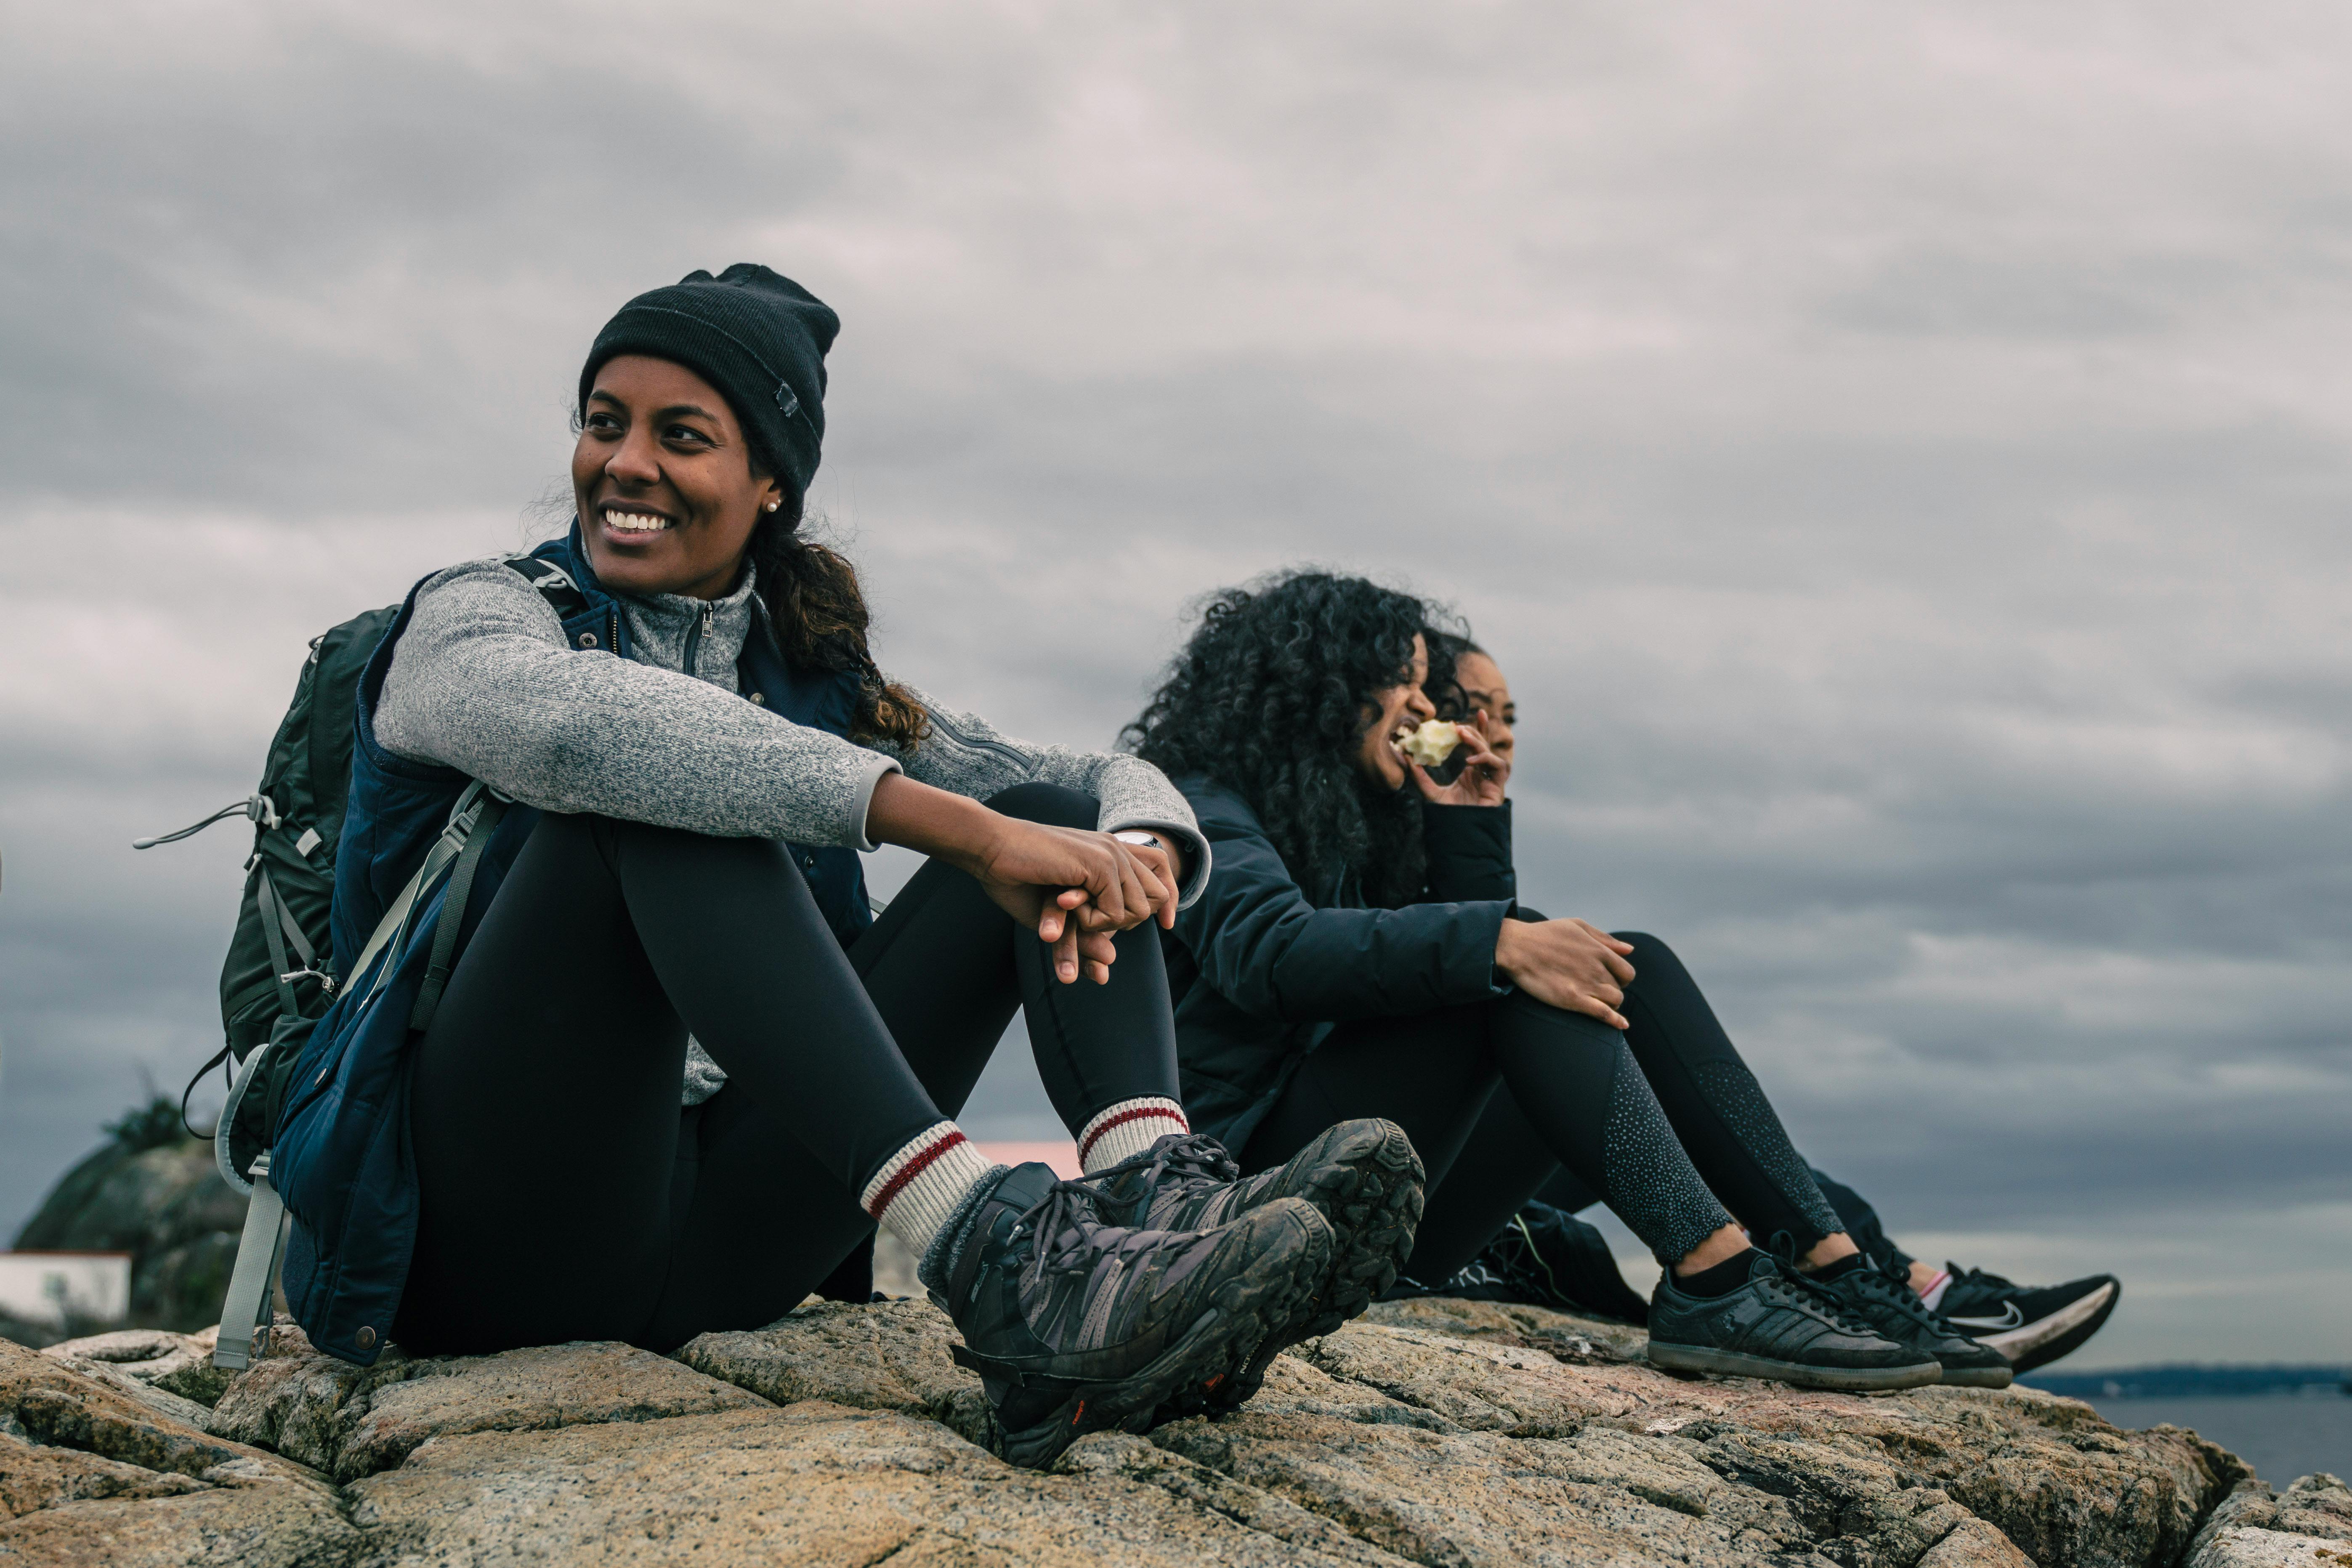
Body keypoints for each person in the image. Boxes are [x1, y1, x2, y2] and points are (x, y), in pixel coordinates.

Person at [266, 267, 1422, 1470]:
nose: (623, 463)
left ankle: (1154, 1206)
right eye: (603, 421)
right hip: (475, 1245)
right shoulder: (480, 615)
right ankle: (992, 1253)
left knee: (1045, 810)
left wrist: (1131, 847)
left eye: (681, 436)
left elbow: (1098, 775)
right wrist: (958, 833)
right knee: (659, 796)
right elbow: (575, 733)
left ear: (770, 482)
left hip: (717, 1245)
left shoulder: (814, 678)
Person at [1128, 570, 2014, 1394]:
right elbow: (1268, 955)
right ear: (1326, 687)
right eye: (1401, 681)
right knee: (1515, 969)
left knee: (1631, 966)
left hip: (1380, 1198)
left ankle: (1837, 1270)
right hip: (1248, 1199)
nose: (1422, 705)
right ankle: (1715, 1279)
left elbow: (1448, 971)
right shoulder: (1195, 800)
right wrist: (1500, 942)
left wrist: (1467, 829)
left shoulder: (1343, 821)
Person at [1415, 631, 2122, 1374]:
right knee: (1629, 986)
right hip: (1410, 1167)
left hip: (1461, 1148)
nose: (1495, 733)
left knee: (1661, 1047)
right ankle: (1846, 1282)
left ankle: (1867, 1279)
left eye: (1508, 715)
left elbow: (1475, 981)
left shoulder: (1447, 819)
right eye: (1472, 709)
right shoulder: (1342, 827)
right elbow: (1459, 1005)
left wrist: (1468, 827)